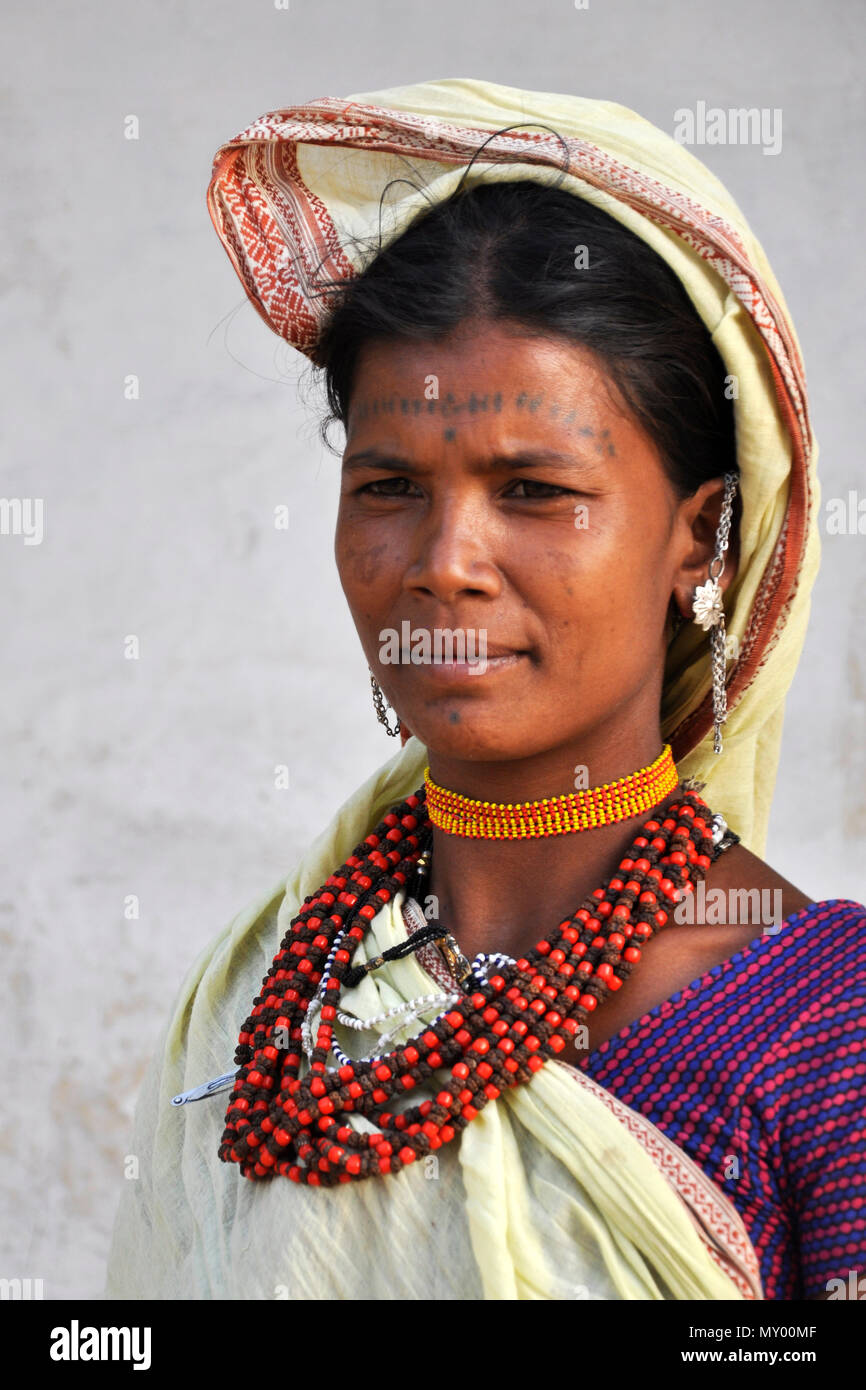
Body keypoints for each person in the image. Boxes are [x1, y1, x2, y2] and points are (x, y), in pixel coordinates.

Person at [104, 78, 866, 1302]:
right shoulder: (268, 1008)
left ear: (697, 540)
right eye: (389, 487)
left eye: (534, 492)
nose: (443, 563)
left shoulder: (825, 1034)